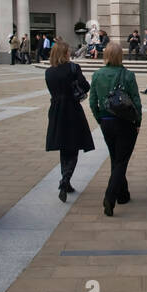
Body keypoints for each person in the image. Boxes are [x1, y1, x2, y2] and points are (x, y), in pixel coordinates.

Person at [88, 41, 142, 217]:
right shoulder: (128, 75)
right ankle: (110, 197)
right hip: (125, 122)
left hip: (106, 121)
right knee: (121, 161)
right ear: (121, 56)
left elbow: (92, 101)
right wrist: (138, 122)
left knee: (116, 157)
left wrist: (100, 118)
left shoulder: (97, 75)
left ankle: (122, 194)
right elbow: (136, 101)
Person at [45, 42, 94, 202]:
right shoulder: (73, 68)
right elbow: (85, 87)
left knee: (63, 146)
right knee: (73, 147)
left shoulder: (49, 72)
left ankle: (66, 180)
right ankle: (65, 180)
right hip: (72, 109)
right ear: (64, 53)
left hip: (56, 110)